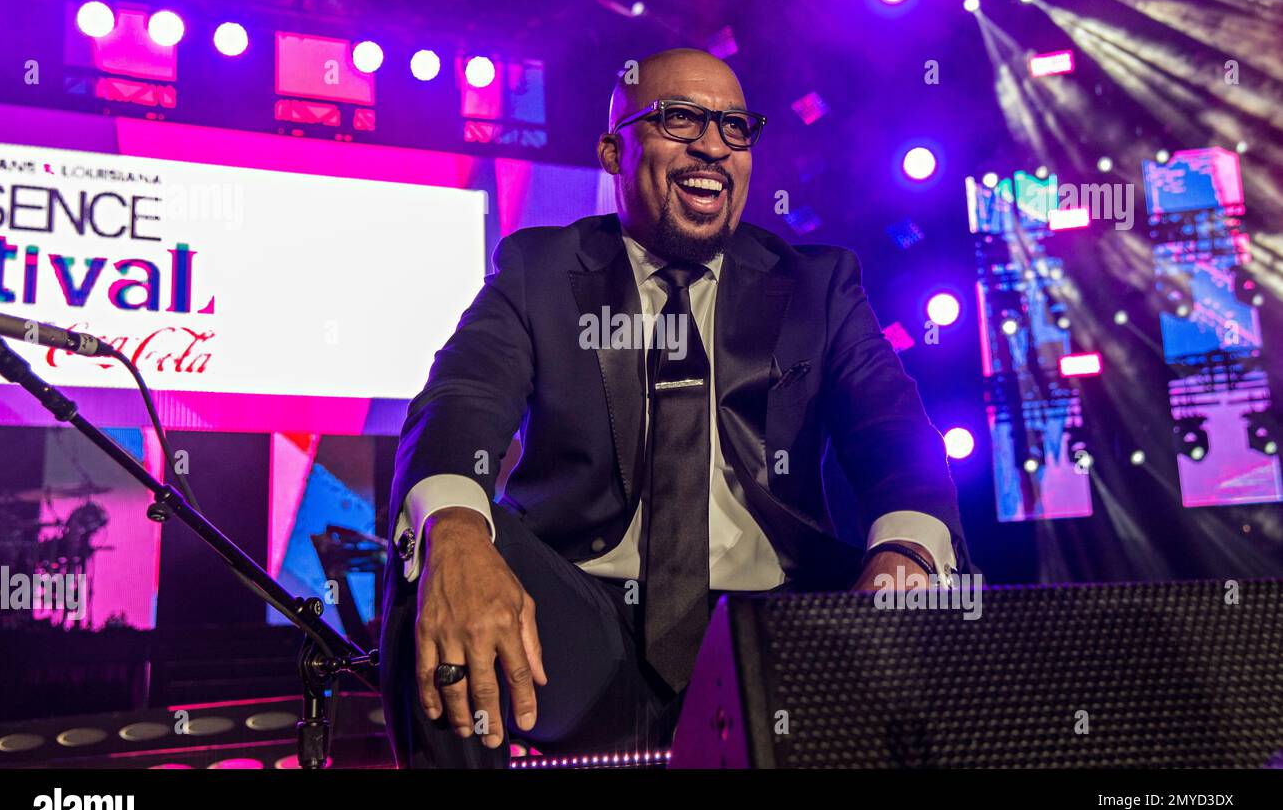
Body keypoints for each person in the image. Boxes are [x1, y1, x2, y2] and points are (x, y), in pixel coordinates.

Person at [379, 48, 971, 768]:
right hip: (575, 634)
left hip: (777, 627)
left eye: (734, 126)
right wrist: (455, 531)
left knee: (934, 589)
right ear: (612, 150)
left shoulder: (819, 286)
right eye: (680, 119)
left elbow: (896, 436)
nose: (714, 145)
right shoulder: (539, 270)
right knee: (445, 544)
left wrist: (903, 552)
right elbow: (460, 401)